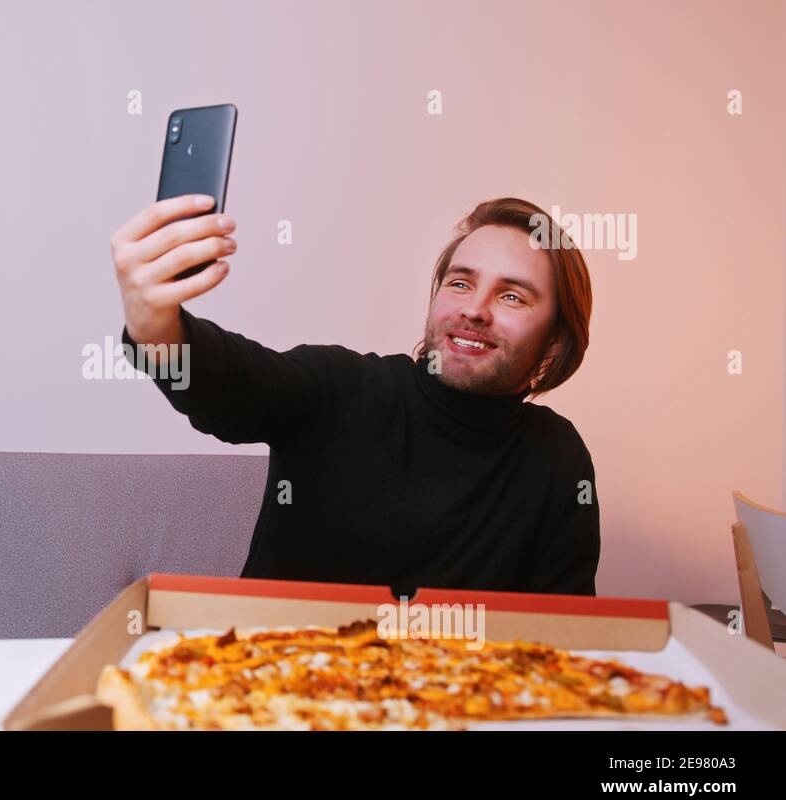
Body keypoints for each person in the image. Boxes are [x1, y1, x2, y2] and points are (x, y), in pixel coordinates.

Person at [110, 196, 598, 595]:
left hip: (457, 706)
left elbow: (565, 639)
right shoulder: (343, 387)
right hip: (273, 691)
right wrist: (156, 327)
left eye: (511, 296)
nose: (474, 308)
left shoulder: (558, 457)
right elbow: (235, 387)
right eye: (460, 282)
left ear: (555, 340)